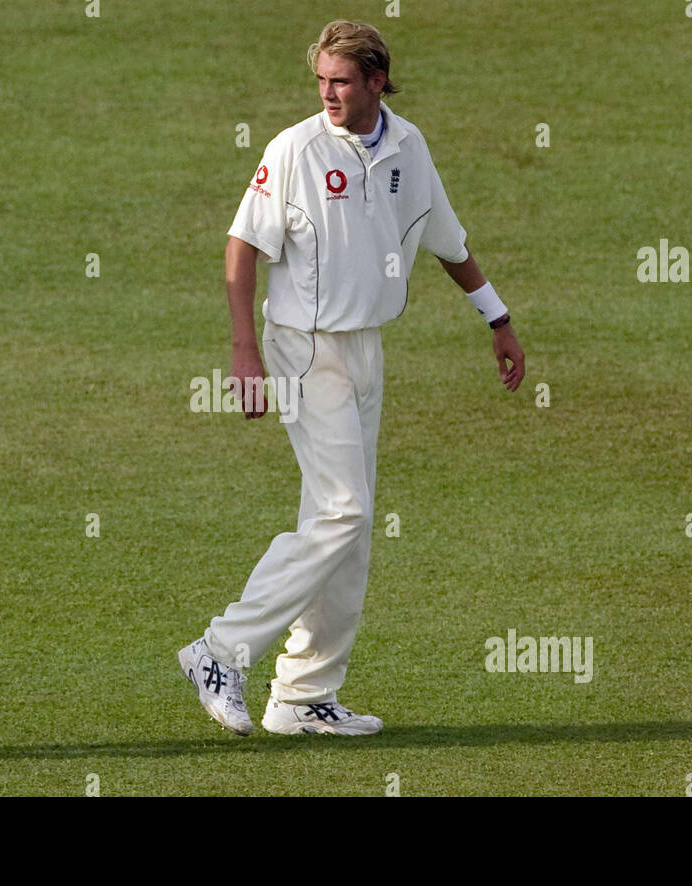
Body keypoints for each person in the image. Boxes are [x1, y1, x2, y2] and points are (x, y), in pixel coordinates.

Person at [179, 20, 525, 736]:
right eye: (321, 82)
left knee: (347, 529)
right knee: (345, 512)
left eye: (341, 81)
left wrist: (497, 320)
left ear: (376, 81)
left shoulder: (409, 146)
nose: (328, 94)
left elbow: (448, 240)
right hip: (304, 347)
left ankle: (303, 696)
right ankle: (219, 649)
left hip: (366, 349)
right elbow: (243, 245)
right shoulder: (295, 149)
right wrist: (243, 349)